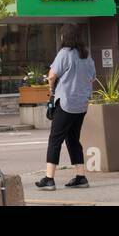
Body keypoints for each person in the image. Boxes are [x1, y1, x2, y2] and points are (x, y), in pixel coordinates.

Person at [35, 24, 97, 191]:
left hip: (66, 103)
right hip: (81, 104)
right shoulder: (86, 55)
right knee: (73, 140)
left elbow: (52, 75)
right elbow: (92, 79)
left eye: (62, 35)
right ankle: (80, 176)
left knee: (55, 139)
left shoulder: (64, 53)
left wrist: (52, 89)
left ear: (66, 37)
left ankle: (49, 179)